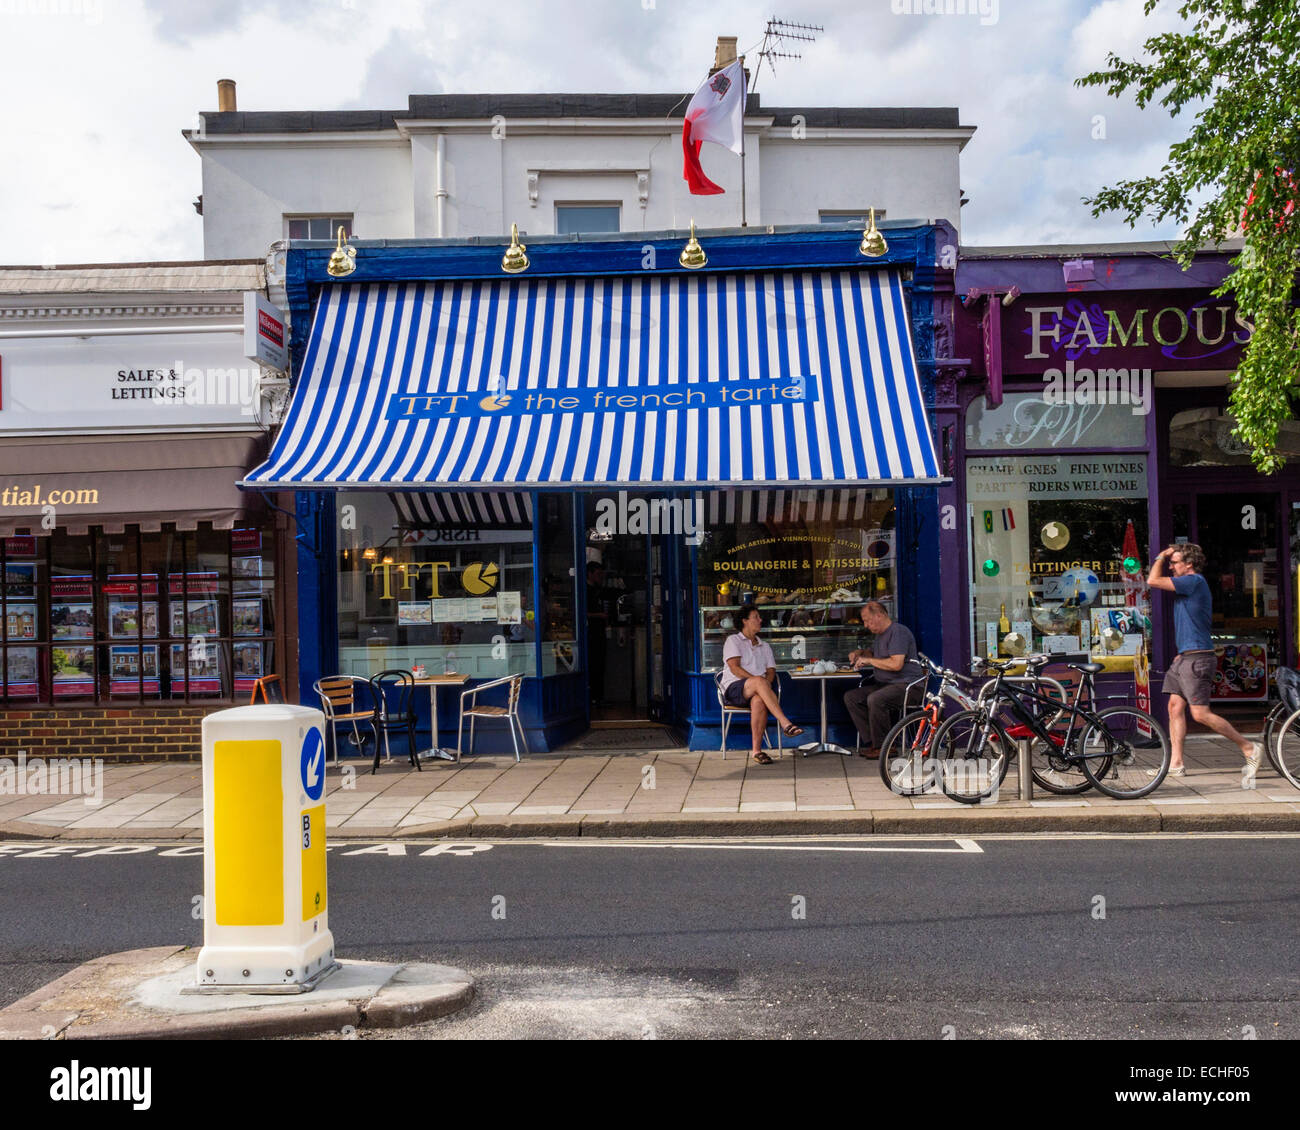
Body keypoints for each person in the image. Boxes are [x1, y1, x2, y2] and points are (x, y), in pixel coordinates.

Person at [1147, 543, 1262, 781]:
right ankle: (1176, 763)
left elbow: (1152, 581)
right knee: (1174, 707)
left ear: (1189, 564)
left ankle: (1249, 748)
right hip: (1186, 656)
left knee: (1199, 714)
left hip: (1197, 659)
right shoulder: (1187, 585)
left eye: (1175, 562)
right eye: (1171, 561)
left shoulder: (1194, 581)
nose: (1171, 565)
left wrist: (1160, 555)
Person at [721, 604, 804, 765]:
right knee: (759, 683)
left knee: (759, 700)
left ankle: (757, 751)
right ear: (745, 621)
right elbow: (735, 668)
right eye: (756, 617)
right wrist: (758, 682)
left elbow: (771, 671)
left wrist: (763, 685)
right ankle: (785, 723)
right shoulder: (733, 640)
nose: (760, 620)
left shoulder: (764, 645)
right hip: (736, 689)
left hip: (758, 690)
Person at [843, 601, 924, 759]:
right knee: (852, 697)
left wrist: (869, 661)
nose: (866, 625)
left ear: (879, 615)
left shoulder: (898, 632)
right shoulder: (880, 636)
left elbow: (896, 664)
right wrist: (859, 653)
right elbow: (874, 654)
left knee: (876, 699)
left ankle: (886, 746)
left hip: (907, 685)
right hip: (886, 684)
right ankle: (873, 742)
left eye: (867, 620)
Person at [586, 561, 610, 706]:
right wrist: (599, 616)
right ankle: (594, 697)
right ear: (590, 573)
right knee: (593, 664)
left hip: (600, 633)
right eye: (598, 574)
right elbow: (583, 613)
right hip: (591, 633)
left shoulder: (598, 589)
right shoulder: (585, 591)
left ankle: (598, 697)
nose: (601, 577)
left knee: (600, 665)